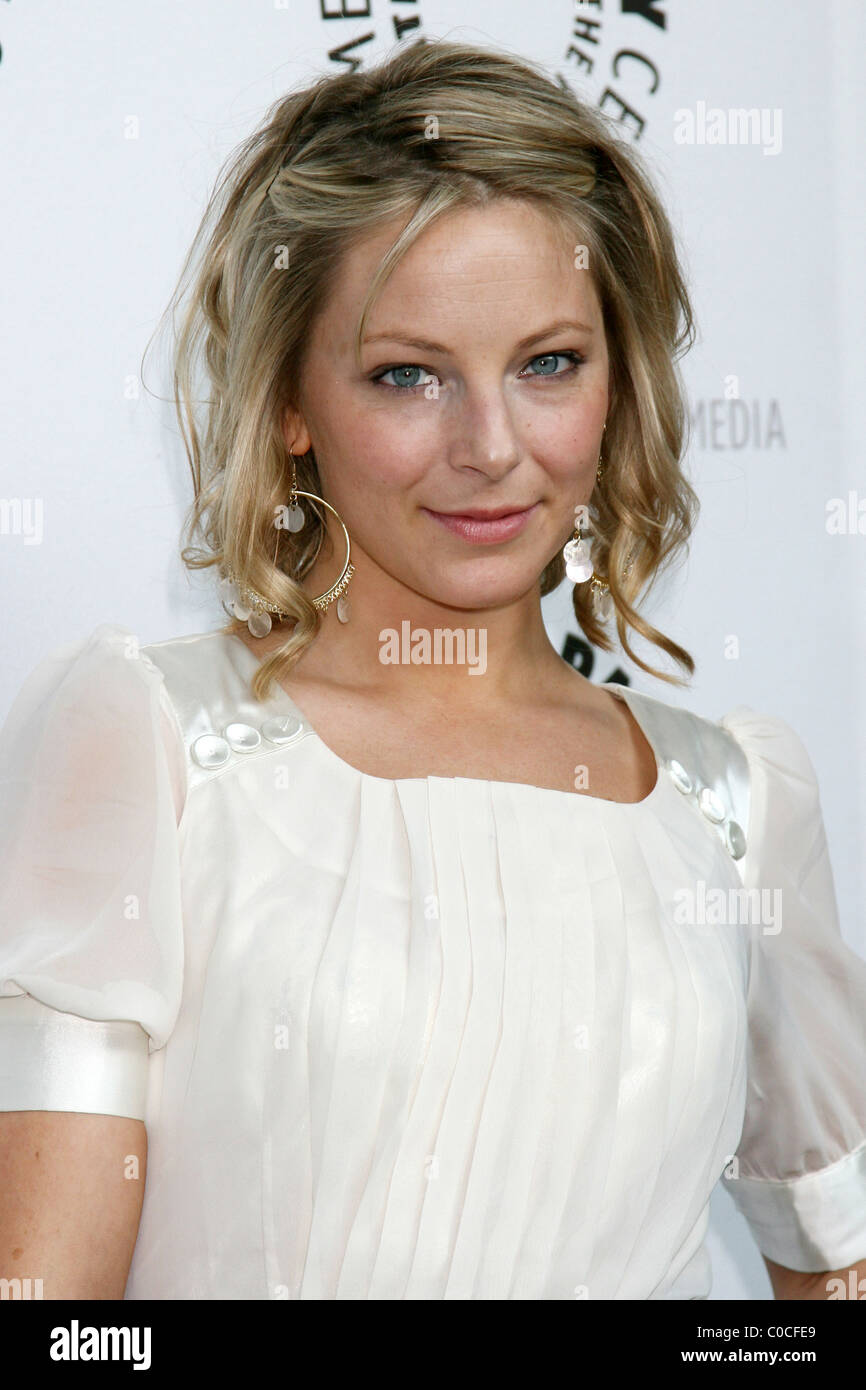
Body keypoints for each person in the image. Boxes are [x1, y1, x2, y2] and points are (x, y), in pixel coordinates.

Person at [1, 37, 864, 1302]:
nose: (490, 446)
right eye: (407, 375)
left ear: (618, 386)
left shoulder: (732, 806)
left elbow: (830, 1274)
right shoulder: (156, 742)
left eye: (547, 365)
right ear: (291, 403)